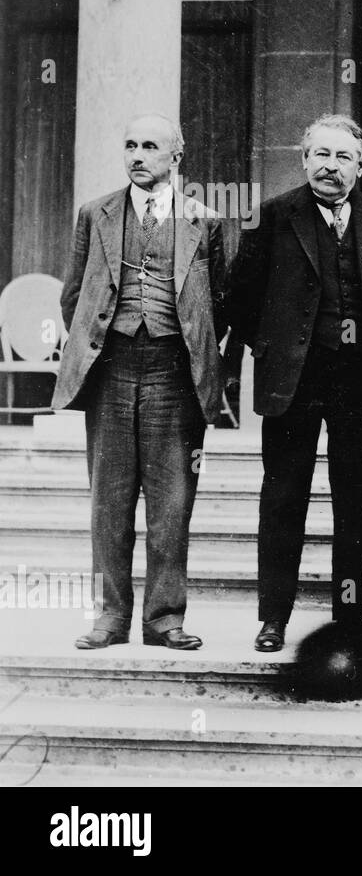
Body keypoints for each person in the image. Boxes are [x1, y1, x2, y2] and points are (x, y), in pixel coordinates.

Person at [225, 114, 362, 653]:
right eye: (321, 155)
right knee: (283, 498)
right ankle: (274, 618)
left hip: (354, 379)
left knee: (354, 500)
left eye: (344, 157)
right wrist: (272, 345)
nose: (331, 166)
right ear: (305, 160)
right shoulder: (273, 215)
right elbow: (240, 296)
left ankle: (351, 617)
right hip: (293, 381)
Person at [55, 113, 226, 651]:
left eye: (150, 146)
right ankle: (110, 617)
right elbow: (72, 294)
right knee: (109, 500)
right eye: (129, 144)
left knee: (172, 501)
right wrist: (99, 342)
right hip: (111, 371)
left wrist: (193, 355)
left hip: (174, 374)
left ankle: (164, 619)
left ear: (176, 156)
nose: (137, 155)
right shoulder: (95, 213)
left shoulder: (208, 221)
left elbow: (219, 305)